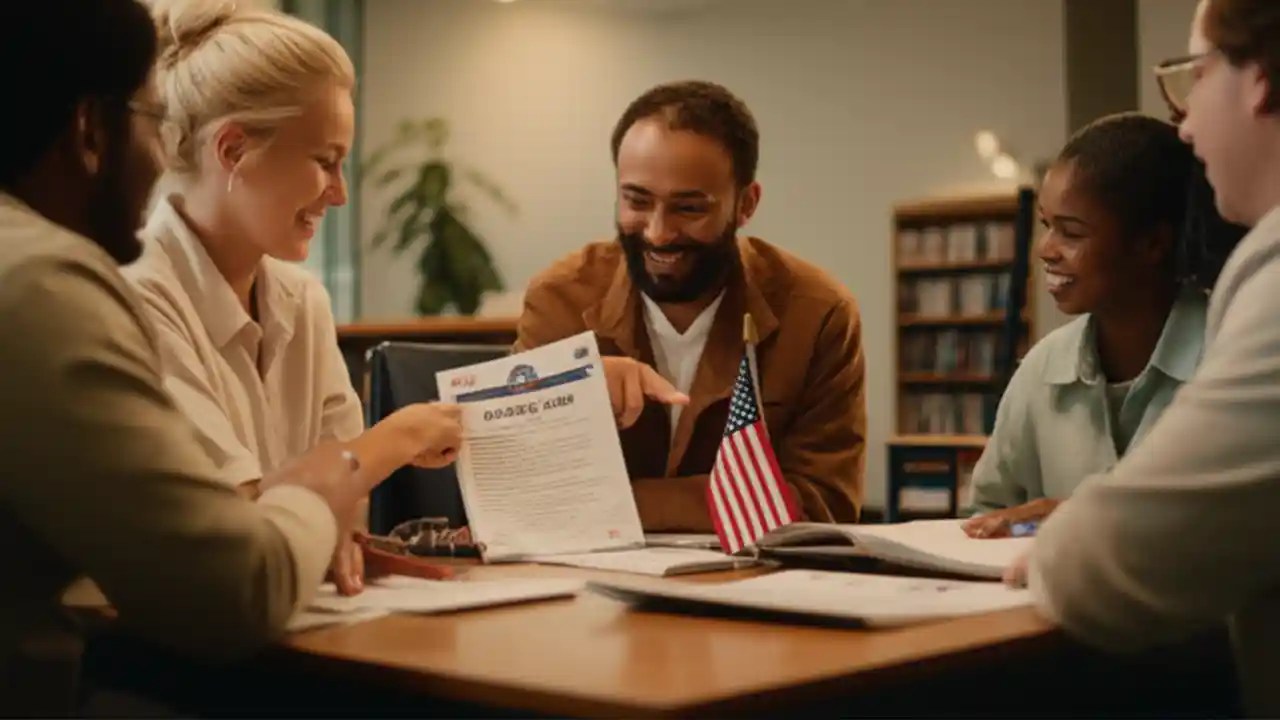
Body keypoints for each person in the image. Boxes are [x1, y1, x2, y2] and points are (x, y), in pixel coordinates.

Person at [0, 1, 456, 714]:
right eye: (154, 124)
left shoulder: (294, 298)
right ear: (91, 129)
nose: (165, 158)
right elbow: (236, 584)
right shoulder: (45, 286)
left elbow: (322, 522)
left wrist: (311, 496)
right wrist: (331, 475)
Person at [1012, 1, 1280, 715]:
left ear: (1258, 80)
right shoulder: (1044, 363)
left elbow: (1104, 567)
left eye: (1195, 75)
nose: (1184, 121)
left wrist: (1067, 529)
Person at [516, 80, 867, 531]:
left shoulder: (819, 314)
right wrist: (572, 390)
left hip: (751, 586)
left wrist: (618, 504)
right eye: (637, 201)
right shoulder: (559, 299)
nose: (658, 233)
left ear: (746, 204)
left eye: (689, 209)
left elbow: (824, 502)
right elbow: (521, 489)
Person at [963, 113, 1207, 538]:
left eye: (1071, 233)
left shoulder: (1233, 355)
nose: (1046, 249)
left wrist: (1082, 520)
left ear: (1153, 244)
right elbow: (988, 515)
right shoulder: (1042, 367)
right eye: (1046, 226)